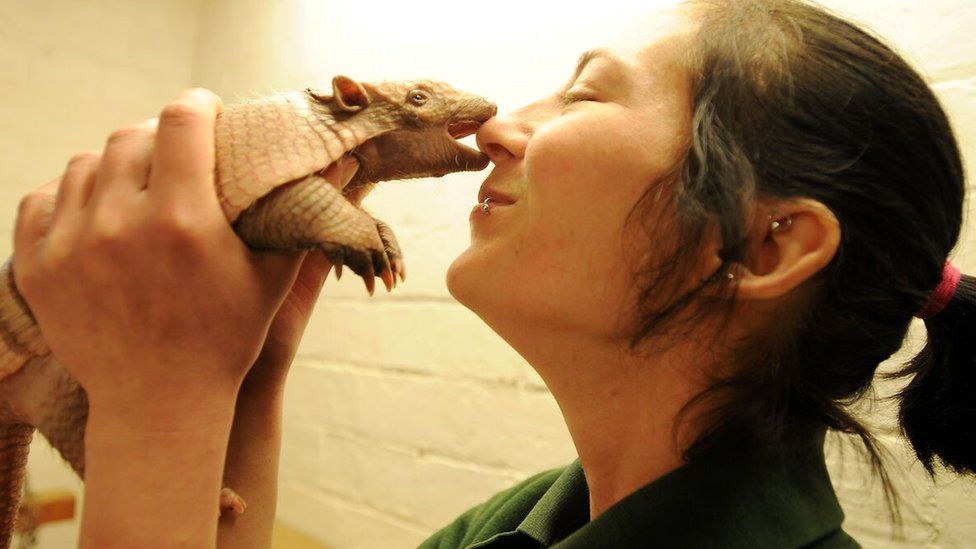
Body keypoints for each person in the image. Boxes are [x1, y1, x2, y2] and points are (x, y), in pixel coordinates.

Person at [11, 0, 974, 547]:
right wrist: (240, 376)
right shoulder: (518, 525)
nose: (499, 127)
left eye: (587, 92)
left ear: (764, 246)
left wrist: (155, 405)